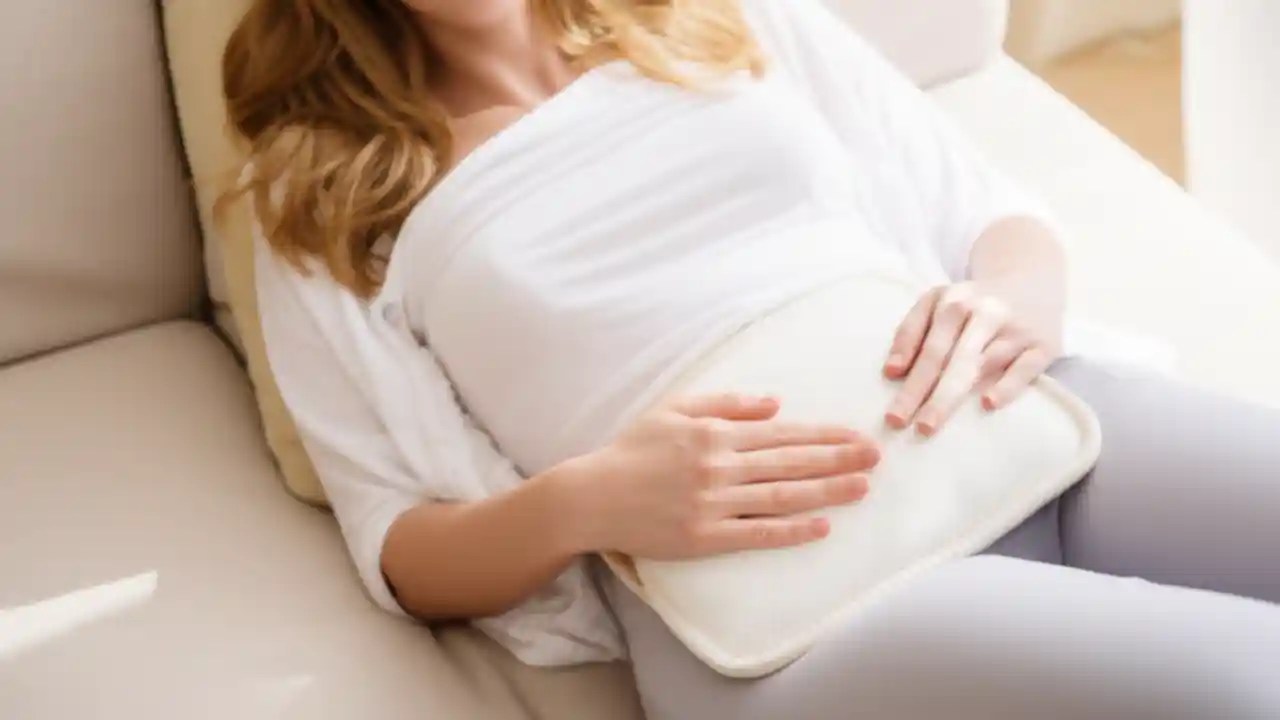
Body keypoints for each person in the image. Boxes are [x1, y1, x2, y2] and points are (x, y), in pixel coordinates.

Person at [221, 0, 1280, 717]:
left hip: (1011, 421)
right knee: (1246, 683)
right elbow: (396, 541)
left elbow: (982, 207)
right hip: (785, 609)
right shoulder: (320, 187)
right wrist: (581, 505)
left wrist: (1012, 299)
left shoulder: (709, 12)